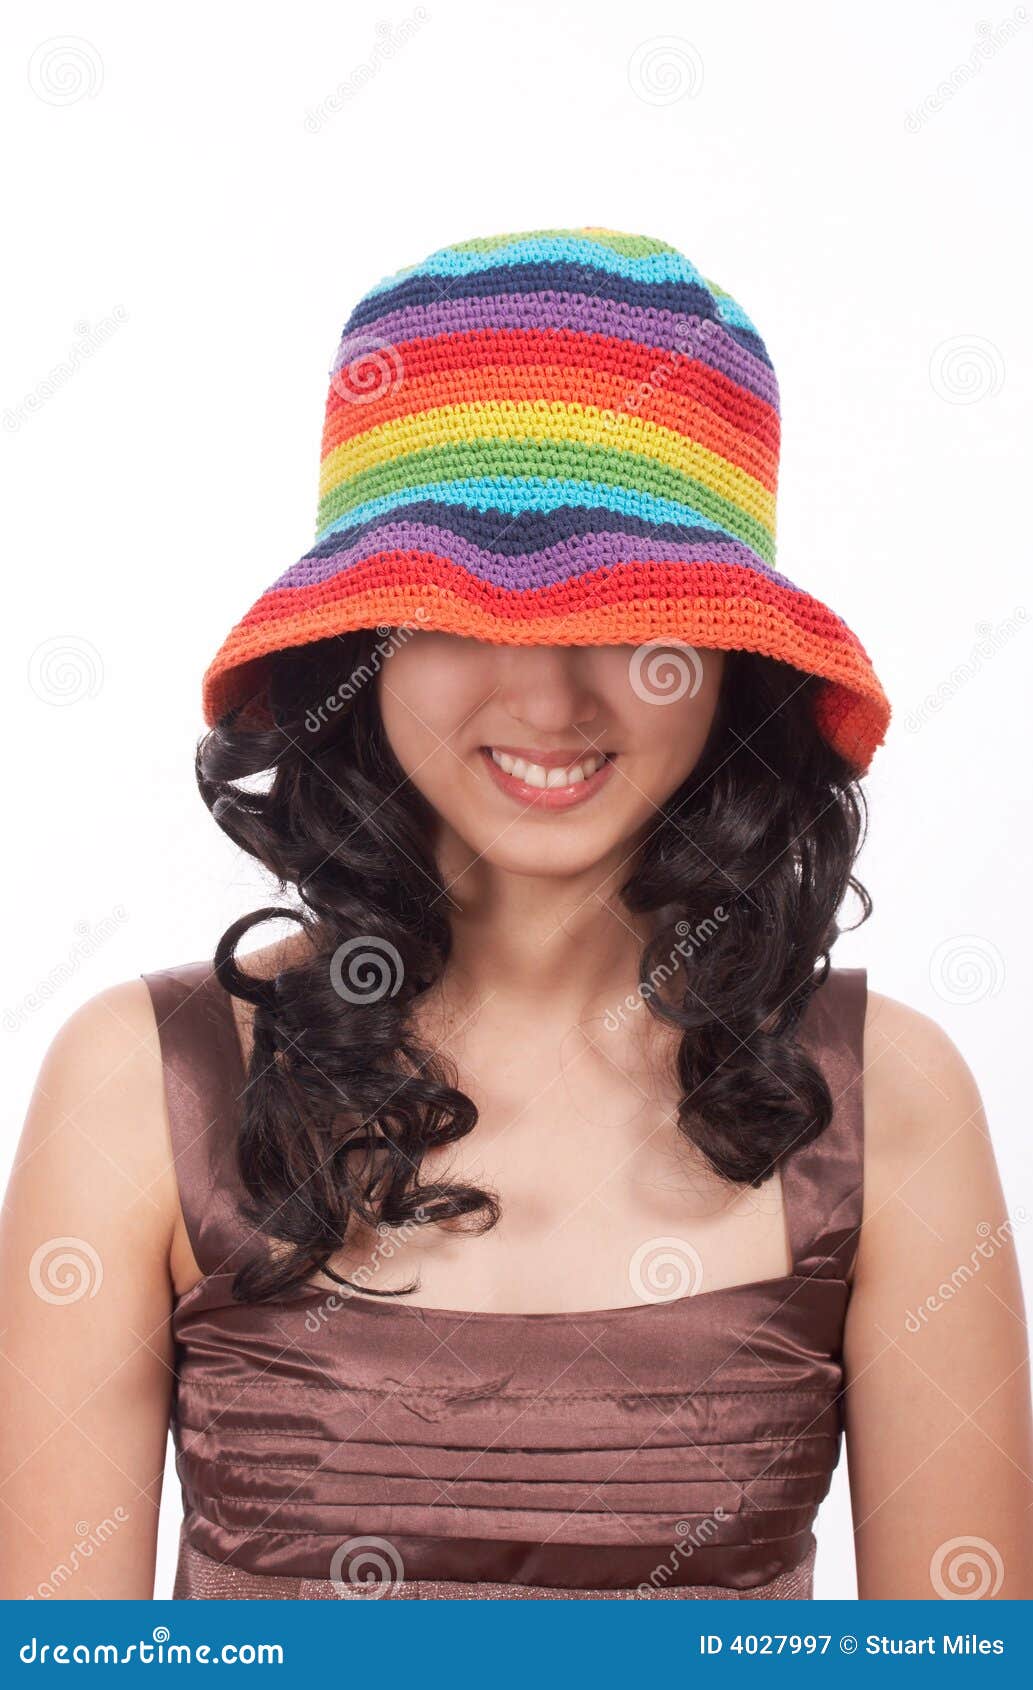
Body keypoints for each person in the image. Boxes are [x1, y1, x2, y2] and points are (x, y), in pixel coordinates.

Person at [2, 228, 1030, 1602]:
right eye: (462, 612)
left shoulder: (884, 1097)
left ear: (729, 653)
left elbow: (956, 1666)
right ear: (359, 645)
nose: (549, 702)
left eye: (628, 612)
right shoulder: (140, 1085)